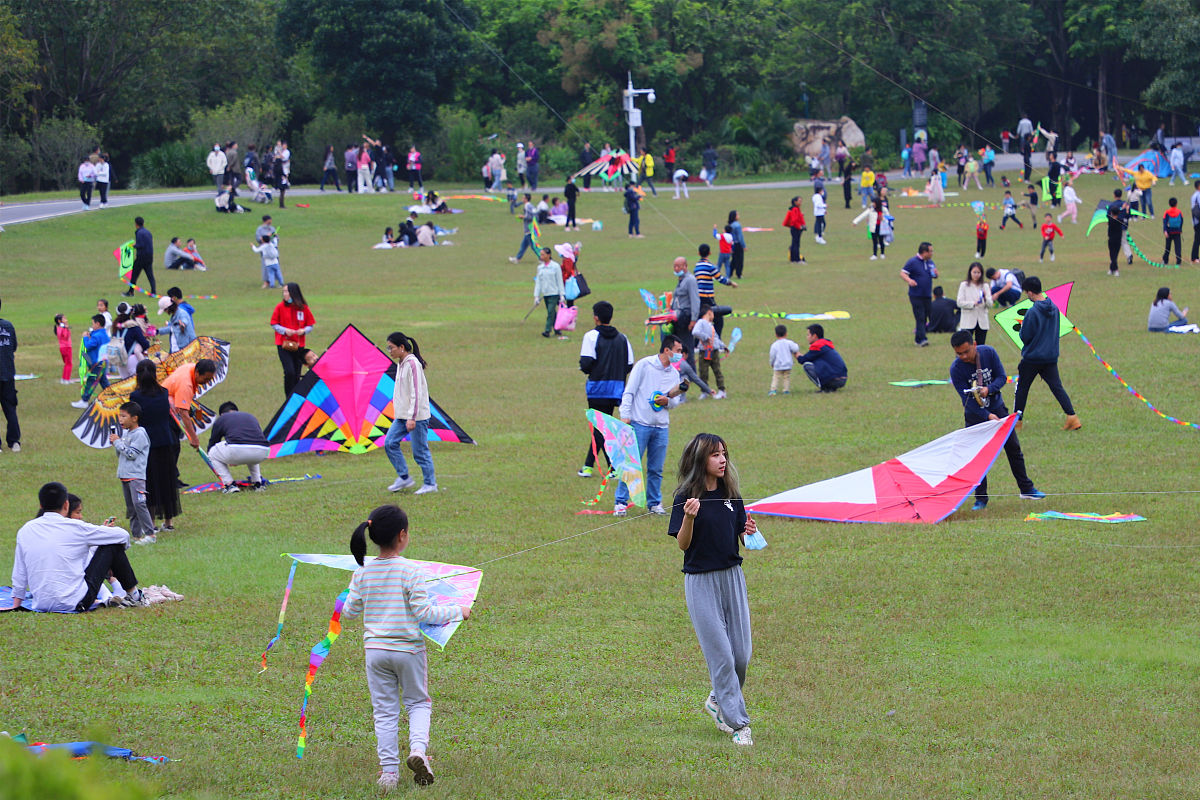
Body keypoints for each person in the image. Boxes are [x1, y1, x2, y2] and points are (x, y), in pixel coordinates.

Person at [343, 504, 470, 790]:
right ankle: (417, 751)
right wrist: (457, 611)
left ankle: (388, 774)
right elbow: (425, 613)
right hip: (409, 651)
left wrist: (357, 592)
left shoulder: (361, 572)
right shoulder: (412, 570)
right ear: (402, 535)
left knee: (385, 711)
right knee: (417, 702)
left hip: (375, 652)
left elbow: (349, 612)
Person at [667, 433, 758, 747]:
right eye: (715, 455)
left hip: (733, 578)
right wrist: (689, 518)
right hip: (701, 581)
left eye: (724, 454)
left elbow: (742, 538)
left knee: (741, 655)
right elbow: (683, 544)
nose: (722, 460)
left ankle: (717, 699)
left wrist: (749, 532)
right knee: (721, 656)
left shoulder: (731, 495)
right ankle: (738, 724)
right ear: (700, 460)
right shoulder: (685, 496)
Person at [9, 482, 147, 611]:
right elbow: (122, 535)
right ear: (66, 504)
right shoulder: (76, 527)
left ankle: (123, 591)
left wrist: (16, 605)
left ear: (41, 505)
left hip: (41, 603)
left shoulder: (25, 530)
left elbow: (19, 572)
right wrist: (116, 557)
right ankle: (135, 596)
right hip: (77, 602)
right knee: (112, 545)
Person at [948, 331, 1046, 511]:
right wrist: (986, 416)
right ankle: (981, 499)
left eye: (966, 351)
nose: (963, 356)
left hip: (998, 408)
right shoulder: (956, 369)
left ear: (974, 345)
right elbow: (967, 402)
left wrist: (989, 389)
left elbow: (1002, 377)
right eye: (958, 353)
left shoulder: (989, 353)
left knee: (1013, 449)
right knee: (978, 457)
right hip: (975, 416)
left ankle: (1027, 489)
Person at [615, 335, 688, 516]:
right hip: (639, 424)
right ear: (667, 350)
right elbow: (629, 392)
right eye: (678, 351)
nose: (680, 355)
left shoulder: (673, 373)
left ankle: (654, 503)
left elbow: (675, 402)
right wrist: (625, 416)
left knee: (656, 468)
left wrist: (667, 401)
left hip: (661, 427)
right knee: (631, 464)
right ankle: (620, 502)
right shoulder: (644, 365)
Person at [1011, 277, 1082, 431]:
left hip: (1033, 357)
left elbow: (1025, 336)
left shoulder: (1032, 312)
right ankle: (1072, 417)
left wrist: (1023, 327)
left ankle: (1017, 421)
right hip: (1050, 356)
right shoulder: (1055, 308)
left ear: (1030, 292)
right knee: (1057, 387)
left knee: (1022, 388)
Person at [577, 300, 635, 477]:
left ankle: (611, 467)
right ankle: (590, 466)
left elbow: (586, 363)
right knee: (603, 426)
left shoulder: (591, 336)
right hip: (616, 389)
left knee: (601, 427)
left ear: (596, 318)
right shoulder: (623, 338)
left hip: (597, 389)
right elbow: (629, 364)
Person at [129, 360, 180, 531]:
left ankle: (150, 522)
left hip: (145, 444)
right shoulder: (164, 393)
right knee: (166, 480)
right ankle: (169, 522)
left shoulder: (135, 397)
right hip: (166, 441)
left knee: (148, 482)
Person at [384, 332, 437, 495]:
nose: (389, 351)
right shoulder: (401, 363)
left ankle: (430, 484)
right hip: (402, 416)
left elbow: (417, 392)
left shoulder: (413, 364)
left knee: (420, 451)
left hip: (416, 417)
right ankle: (404, 477)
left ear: (401, 347)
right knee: (390, 443)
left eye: (391, 348)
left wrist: (412, 418)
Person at [108, 400, 155, 543]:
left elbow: (131, 454)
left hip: (136, 476)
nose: (120, 419)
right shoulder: (127, 434)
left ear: (134, 418)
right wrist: (117, 442)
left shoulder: (140, 434)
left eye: (123, 416)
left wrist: (117, 442)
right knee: (131, 508)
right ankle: (136, 536)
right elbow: (121, 454)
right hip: (125, 475)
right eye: (119, 416)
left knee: (139, 504)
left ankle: (150, 534)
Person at [206, 401, 270, 493]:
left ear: (222, 414)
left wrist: (228, 458)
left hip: (237, 450)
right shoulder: (250, 416)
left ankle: (229, 485)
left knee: (212, 452)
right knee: (251, 445)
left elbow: (213, 443)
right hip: (263, 451)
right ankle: (258, 483)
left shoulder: (222, 418)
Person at [162, 358, 217, 454]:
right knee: (173, 448)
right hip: (166, 411)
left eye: (210, 379)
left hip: (170, 402)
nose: (207, 382)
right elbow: (184, 414)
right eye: (206, 379)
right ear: (197, 373)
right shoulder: (186, 385)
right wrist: (194, 438)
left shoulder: (191, 367)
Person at [269, 282, 314, 397]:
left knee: (297, 373)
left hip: (299, 345)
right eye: (284, 292)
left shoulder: (303, 308)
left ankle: (296, 397)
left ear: (293, 293)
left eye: (286, 291)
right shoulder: (280, 307)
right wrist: (285, 331)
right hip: (283, 344)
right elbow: (274, 323)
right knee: (289, 372)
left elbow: (310, 325)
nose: (284, 294)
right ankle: (288, 397)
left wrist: (303, 331)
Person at [901, 242, 938, 347]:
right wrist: (909, 280)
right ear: (924, 252)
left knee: (925, 316)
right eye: (930, 251)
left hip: (927, 294)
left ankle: (918, 338)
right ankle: (922, 339)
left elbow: (933, 274)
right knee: (920, 316)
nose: (932, 253)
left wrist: (936, 274)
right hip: (916, 295)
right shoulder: (913, 262)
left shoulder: (930, 262)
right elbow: (903, 273)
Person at [71, 314, 110, 408]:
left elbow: (88, 345)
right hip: (103, 362)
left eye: (93, 324)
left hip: (96, 363)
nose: (92, 326)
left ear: (98, 323)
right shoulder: (104, 334)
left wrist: (85, 337)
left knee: (91, 381)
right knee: (104, 382)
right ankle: (114, 397)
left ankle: (84, 400)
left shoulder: (97, 336)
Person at [796, 324, 848, 391]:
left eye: (808, 335)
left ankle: (824, 388)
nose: (807, 337)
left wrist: (795, 352)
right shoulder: (825, 344)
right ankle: (831, 388)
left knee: (807, 365)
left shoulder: (817, 346)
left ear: (814, 336)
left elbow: (802, 360)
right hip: (843, 379)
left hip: (835, 380)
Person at [669, 257, 699, 370]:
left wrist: (693, 319)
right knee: (675, 345)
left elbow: (695, 300)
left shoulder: (690, 280)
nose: (676, 269)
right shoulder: (681, 280)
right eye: (675, 266)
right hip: (677, 318)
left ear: (685, 266)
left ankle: (691, 373)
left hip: (686, 318)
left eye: (679, 266)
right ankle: (677, 369)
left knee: (686, 346)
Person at [692, 306, 726, 399]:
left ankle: (722, 391)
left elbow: (716, 338)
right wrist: (705, 337)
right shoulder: (701, 322)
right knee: (703, 372)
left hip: (714, 351)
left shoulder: (711, 325)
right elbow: (695, 332)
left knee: (717, 371)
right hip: (704, 351)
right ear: (709, 312)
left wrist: (723, 346)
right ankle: (705, 391)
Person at [533, 248, 566, 339]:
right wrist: (536, 296)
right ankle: (557, 329)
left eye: (543, 254)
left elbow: (559, 281)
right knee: (552, 312)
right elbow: (538, 282)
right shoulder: (540, 268)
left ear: (548, 255)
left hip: (554, 293)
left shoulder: (555, 266)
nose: (541, 256)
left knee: (550, 311)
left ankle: (547, 330)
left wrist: (562, 294)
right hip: (546, 293)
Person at [957, 262, 993, 345]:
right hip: (968, 320)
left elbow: (990, 304)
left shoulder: (985, 286)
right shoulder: (964, 285)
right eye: (974, 272)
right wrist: (973, 304)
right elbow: (959, 302)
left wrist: (985, 298)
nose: (976, 275)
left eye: (978, 272)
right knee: (965, 344)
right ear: (970, 273)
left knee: (981, 345)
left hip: (982, 321)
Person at [0, 299, 18, 452]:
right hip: (8, 374)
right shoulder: (8, 326)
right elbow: (14, 347)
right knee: (10, 409)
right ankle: (14, 442)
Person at [123, 217, 155, 296]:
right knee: (150, 275)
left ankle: (131, 292)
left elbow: (141, 245)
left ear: (136, 224)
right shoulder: (148, 232)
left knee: (134, 275)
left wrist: (134, 245)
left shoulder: (139, 232)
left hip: (141, 257)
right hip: (149, 256)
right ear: (143, 223)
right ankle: (153, 291)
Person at [767, 324, 800, 396]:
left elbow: (772, 355)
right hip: (788, 364)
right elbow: (796, 348)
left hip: (778, 365)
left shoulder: (774, 345)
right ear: (786, 334)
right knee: (786, 378)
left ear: (776, 335)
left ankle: (773, 390)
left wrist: (771, 363)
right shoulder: (789, 343)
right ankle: (786, 390)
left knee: (776, 377)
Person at [1106, 189, 1131, 276]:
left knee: (1113, 254)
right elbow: (1127, 216)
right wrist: (1126, 209)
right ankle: (1128, 255)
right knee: (1123, 243)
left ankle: (1114, 269)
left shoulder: (1111, 207)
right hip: (1120, 232)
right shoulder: (1124, 206)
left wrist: (1121, 209)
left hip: (1112, 237)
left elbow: (1108, 215)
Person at [783, 196, 807, 263]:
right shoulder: (795, 209)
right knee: (796, 244)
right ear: (795, 202)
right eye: (799, 201)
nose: (800, 202)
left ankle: (793, 258)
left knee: (795, 243)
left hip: (796, 228)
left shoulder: (796, 209)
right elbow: (794, 220)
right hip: (795, 228)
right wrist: (800, 227)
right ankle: (797, 259)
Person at [1162, 196, 1184, 265]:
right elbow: (1182, 221)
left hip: (1169, 232)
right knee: (1178, 247)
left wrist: (1165, 230)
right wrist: (1180, 229)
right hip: (1177, 232)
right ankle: (1178, 261)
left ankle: (1165, 261)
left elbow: (1165, 222)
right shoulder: (1179, 212)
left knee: (1167, 247)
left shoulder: (1167, 212)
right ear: (1176, 204)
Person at [55, 313, 73, 385]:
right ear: (60, 321)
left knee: (66, 364)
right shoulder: (63, 328)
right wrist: (67, 329)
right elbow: (66, 336)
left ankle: (63, 378)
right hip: (67, 347)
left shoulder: (58, 328)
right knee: (69, 364)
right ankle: (66, 379)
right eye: (64, 319)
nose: (66, 320)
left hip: (62, 347)